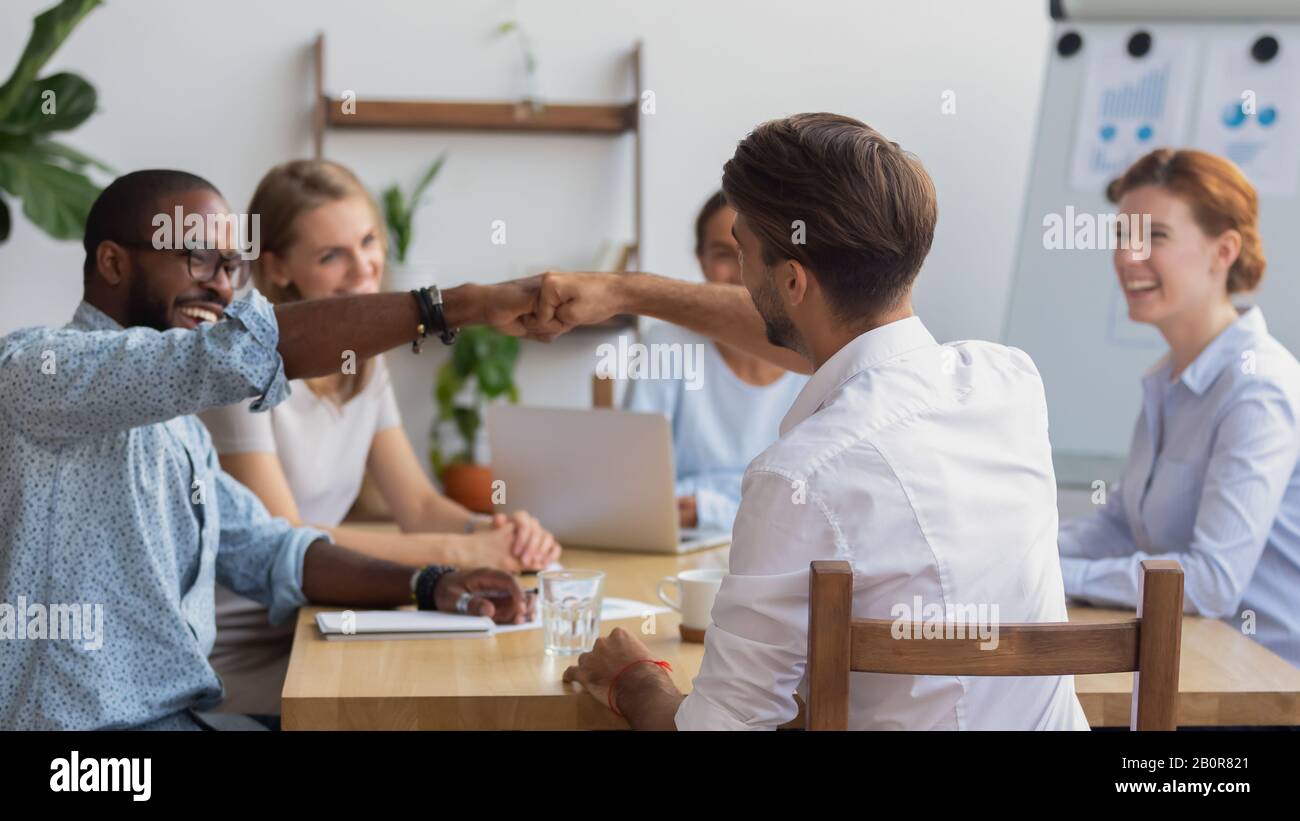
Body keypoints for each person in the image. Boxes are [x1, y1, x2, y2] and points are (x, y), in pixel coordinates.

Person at [537, 113, 1091, 729]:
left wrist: (634, 680)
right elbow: (834, 331)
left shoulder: (798, 477)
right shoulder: (1011, 382)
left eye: (743, 254)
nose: (740, 282)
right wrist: (626, 291)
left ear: (793, 280)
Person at [0, 170, 541, 730]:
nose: (221, 287)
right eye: (199, 258)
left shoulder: (178, 428)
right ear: (114, 263)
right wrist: (451, 307)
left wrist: (429, 582)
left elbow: (273, 550)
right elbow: (234, 352)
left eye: (231, 267)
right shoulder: (37, 371)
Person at [199, 160, 559, 715]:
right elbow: (286, 535)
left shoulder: (363, 363)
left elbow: (415, 503)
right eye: (331, 255)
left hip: (327, 620)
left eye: (368, 241)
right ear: (277, 266)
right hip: (249, 656)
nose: (364, 266)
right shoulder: (238, 369)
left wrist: (493, 532)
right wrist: (457, 552)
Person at [1054, 149, 1300, 667]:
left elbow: (1210, 583)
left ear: (1223, 251)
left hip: (1258, 693)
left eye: (1155, 237)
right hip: (1193, 663)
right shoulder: (1169, 380)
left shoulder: (1258, 387)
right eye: (1122, 237)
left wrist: (1056, 575)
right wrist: (1017, 551)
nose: (1126, 256)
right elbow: (1122, 526)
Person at [624, 191, 806, 532]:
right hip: (679, 548)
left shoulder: (817, 356)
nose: (740, 274)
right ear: (700, 259)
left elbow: (813, 505)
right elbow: (636, 486)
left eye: (752, 255)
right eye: (724, 255)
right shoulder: (665, 344)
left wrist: (710, 509)